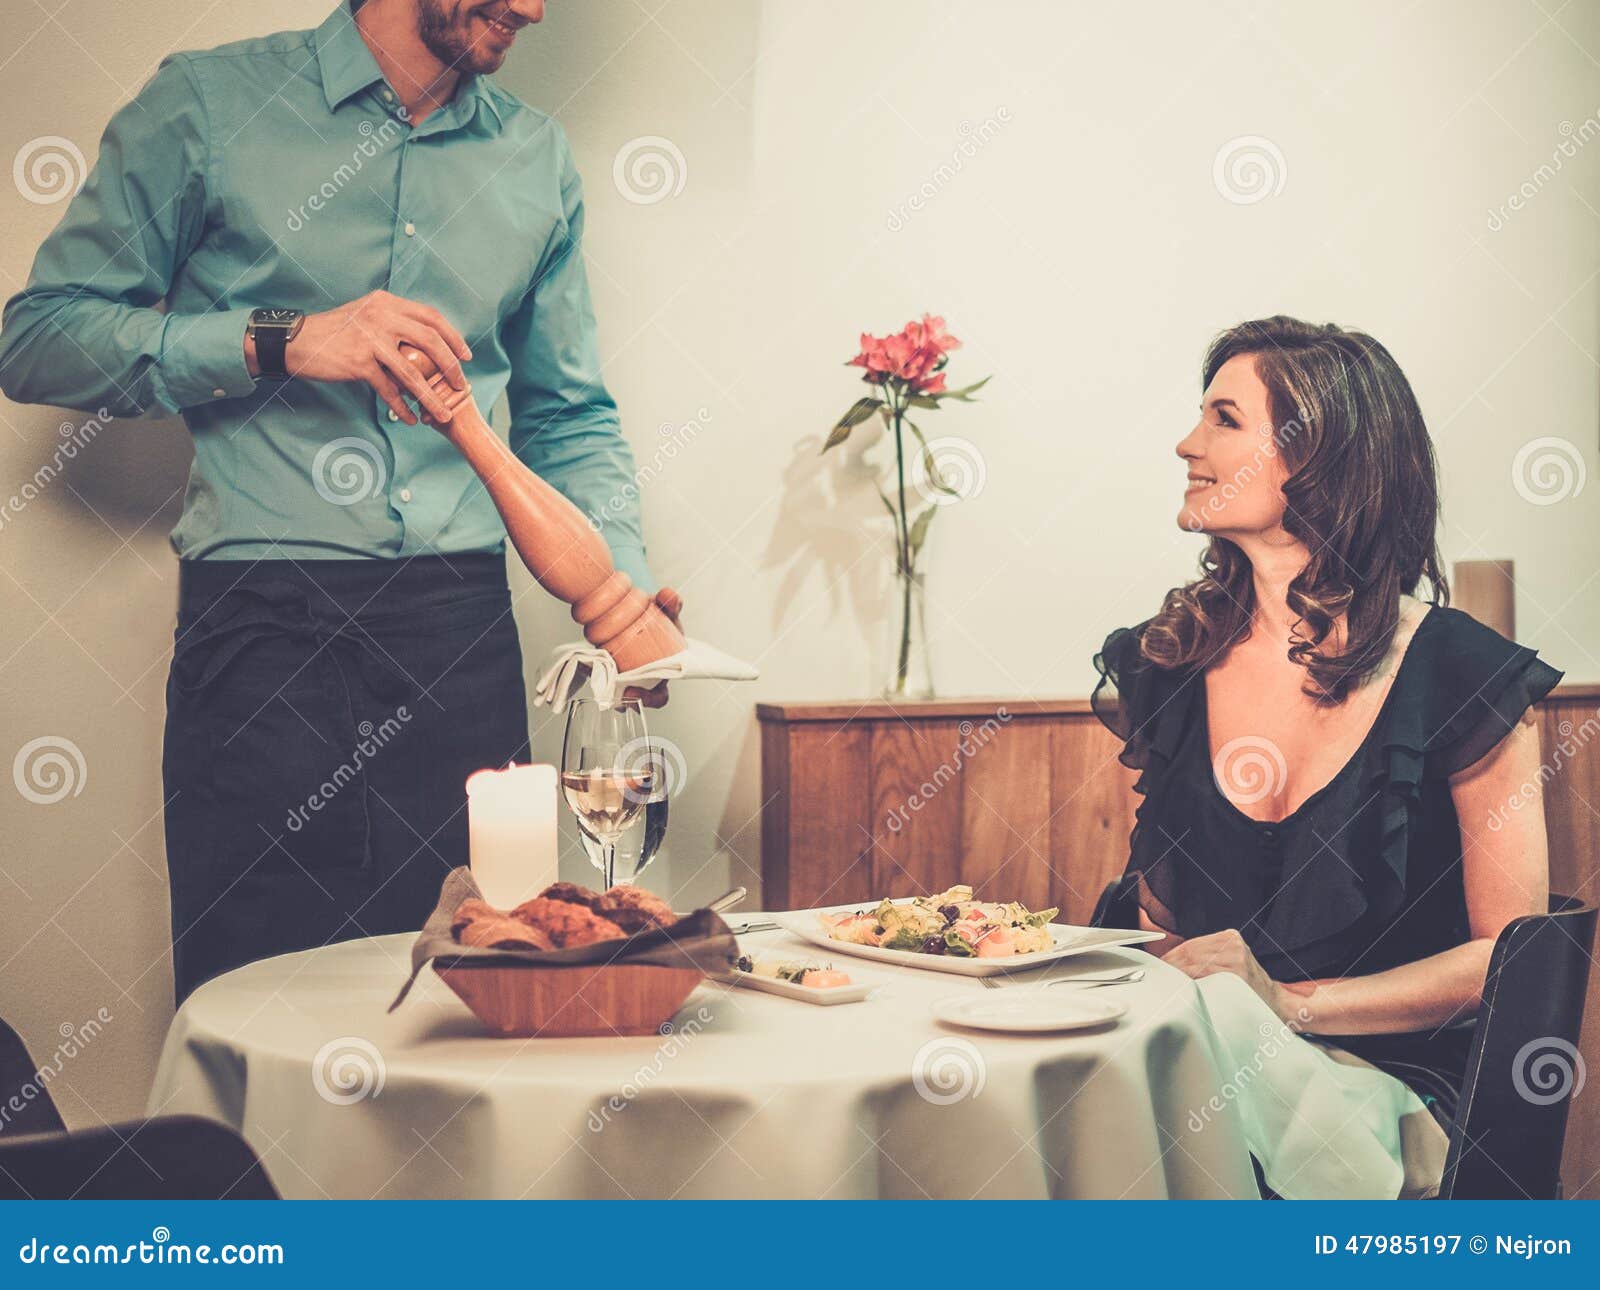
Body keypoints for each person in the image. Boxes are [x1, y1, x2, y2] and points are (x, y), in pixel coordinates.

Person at [0, 0, 680, 1002]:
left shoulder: (536, 158)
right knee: (260, 996)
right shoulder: (208, 104)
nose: (531, 8)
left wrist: (625, 590)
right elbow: (41, 335)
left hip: (461, 638)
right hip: (264, 632)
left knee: (481, 1000)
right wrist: (281, 337)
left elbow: (567, 415)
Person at [1092, 315, 1559, 1194]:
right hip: (1207, 1076)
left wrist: (1282, 1004)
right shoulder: (1165, 665)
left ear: (1316, 456)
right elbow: (1161, 921)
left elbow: (1506, 955)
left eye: (1224, 419)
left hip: (1391, 1090)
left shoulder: (1461, 673)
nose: (1187, 443)